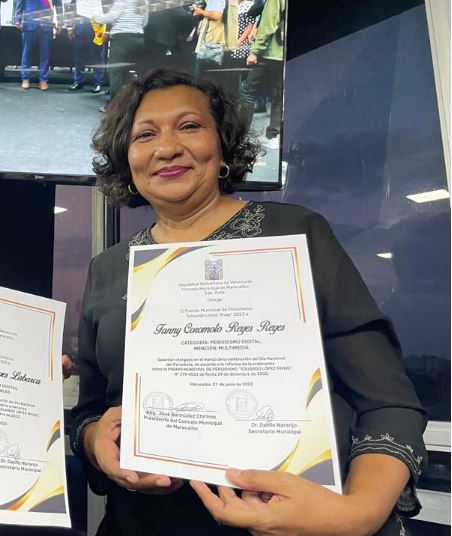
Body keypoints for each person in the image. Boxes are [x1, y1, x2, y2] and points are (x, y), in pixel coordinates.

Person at [71, 68, 427, 535]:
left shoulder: (295, 234)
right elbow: (89, 411)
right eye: (145, 134)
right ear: (127, 159)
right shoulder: (110, 267)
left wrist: (355, 515)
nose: (167, 147)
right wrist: (98, 440)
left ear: (223, 149)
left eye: (190, 126)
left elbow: (388, 405)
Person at [91, 0, 148, 111]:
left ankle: (114, 106)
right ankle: (134, 104)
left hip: (122, 40)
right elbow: (145, 22)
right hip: (139, 39)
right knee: (129, 73)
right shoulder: (144, 2)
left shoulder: (122, 1)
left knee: (115, 72)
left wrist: (94, 16)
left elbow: (109, 17)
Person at [240, 0, 283, 144]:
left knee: (248, 91)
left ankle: (243, 135)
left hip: (268, 52)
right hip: (281, 52)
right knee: (278, 94)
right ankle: (274, 135)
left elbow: (269, 24)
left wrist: (255, 51)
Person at [14, 0, 61, 90]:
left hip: (46, 24)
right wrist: (17, 19)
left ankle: (43, 80)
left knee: (45, 54)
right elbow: (20, 2)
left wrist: (60, 22)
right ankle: (25, 78)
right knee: (26, 53)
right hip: (29, 22)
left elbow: (58, 4)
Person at [64, 0, 106, 94]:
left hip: (96, 27)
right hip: (80, 27)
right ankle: (78, 81)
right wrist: (69, 27)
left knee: (97, 57)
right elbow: (71, 8)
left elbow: (109, 7)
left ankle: (98, 83)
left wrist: (107, 30)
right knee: (78, 58)